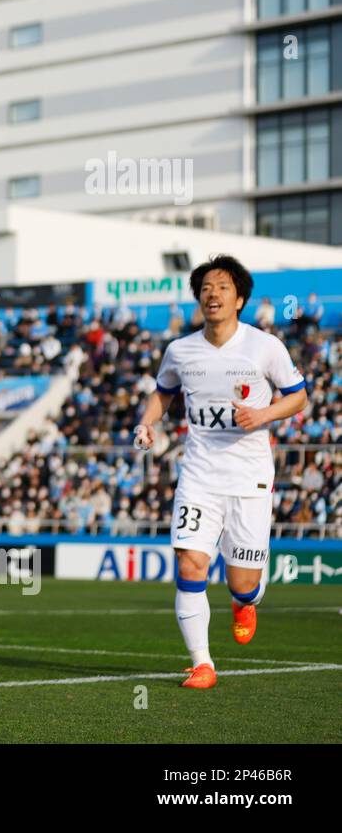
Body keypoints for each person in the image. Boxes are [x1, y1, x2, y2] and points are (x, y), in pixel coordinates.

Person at [134, 254, 308, 689]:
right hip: (199, 474)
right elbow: (162, 393)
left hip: (249, 477)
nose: (213, 293)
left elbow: (298, 398)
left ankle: (245, 600)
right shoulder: (180, 350)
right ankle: (202, 663)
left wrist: (263, 414)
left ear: (240, 298)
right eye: (206, 287)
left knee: (243, 581)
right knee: (190, 562)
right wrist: (146, 422)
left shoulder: (264, 345)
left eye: (223, 287)